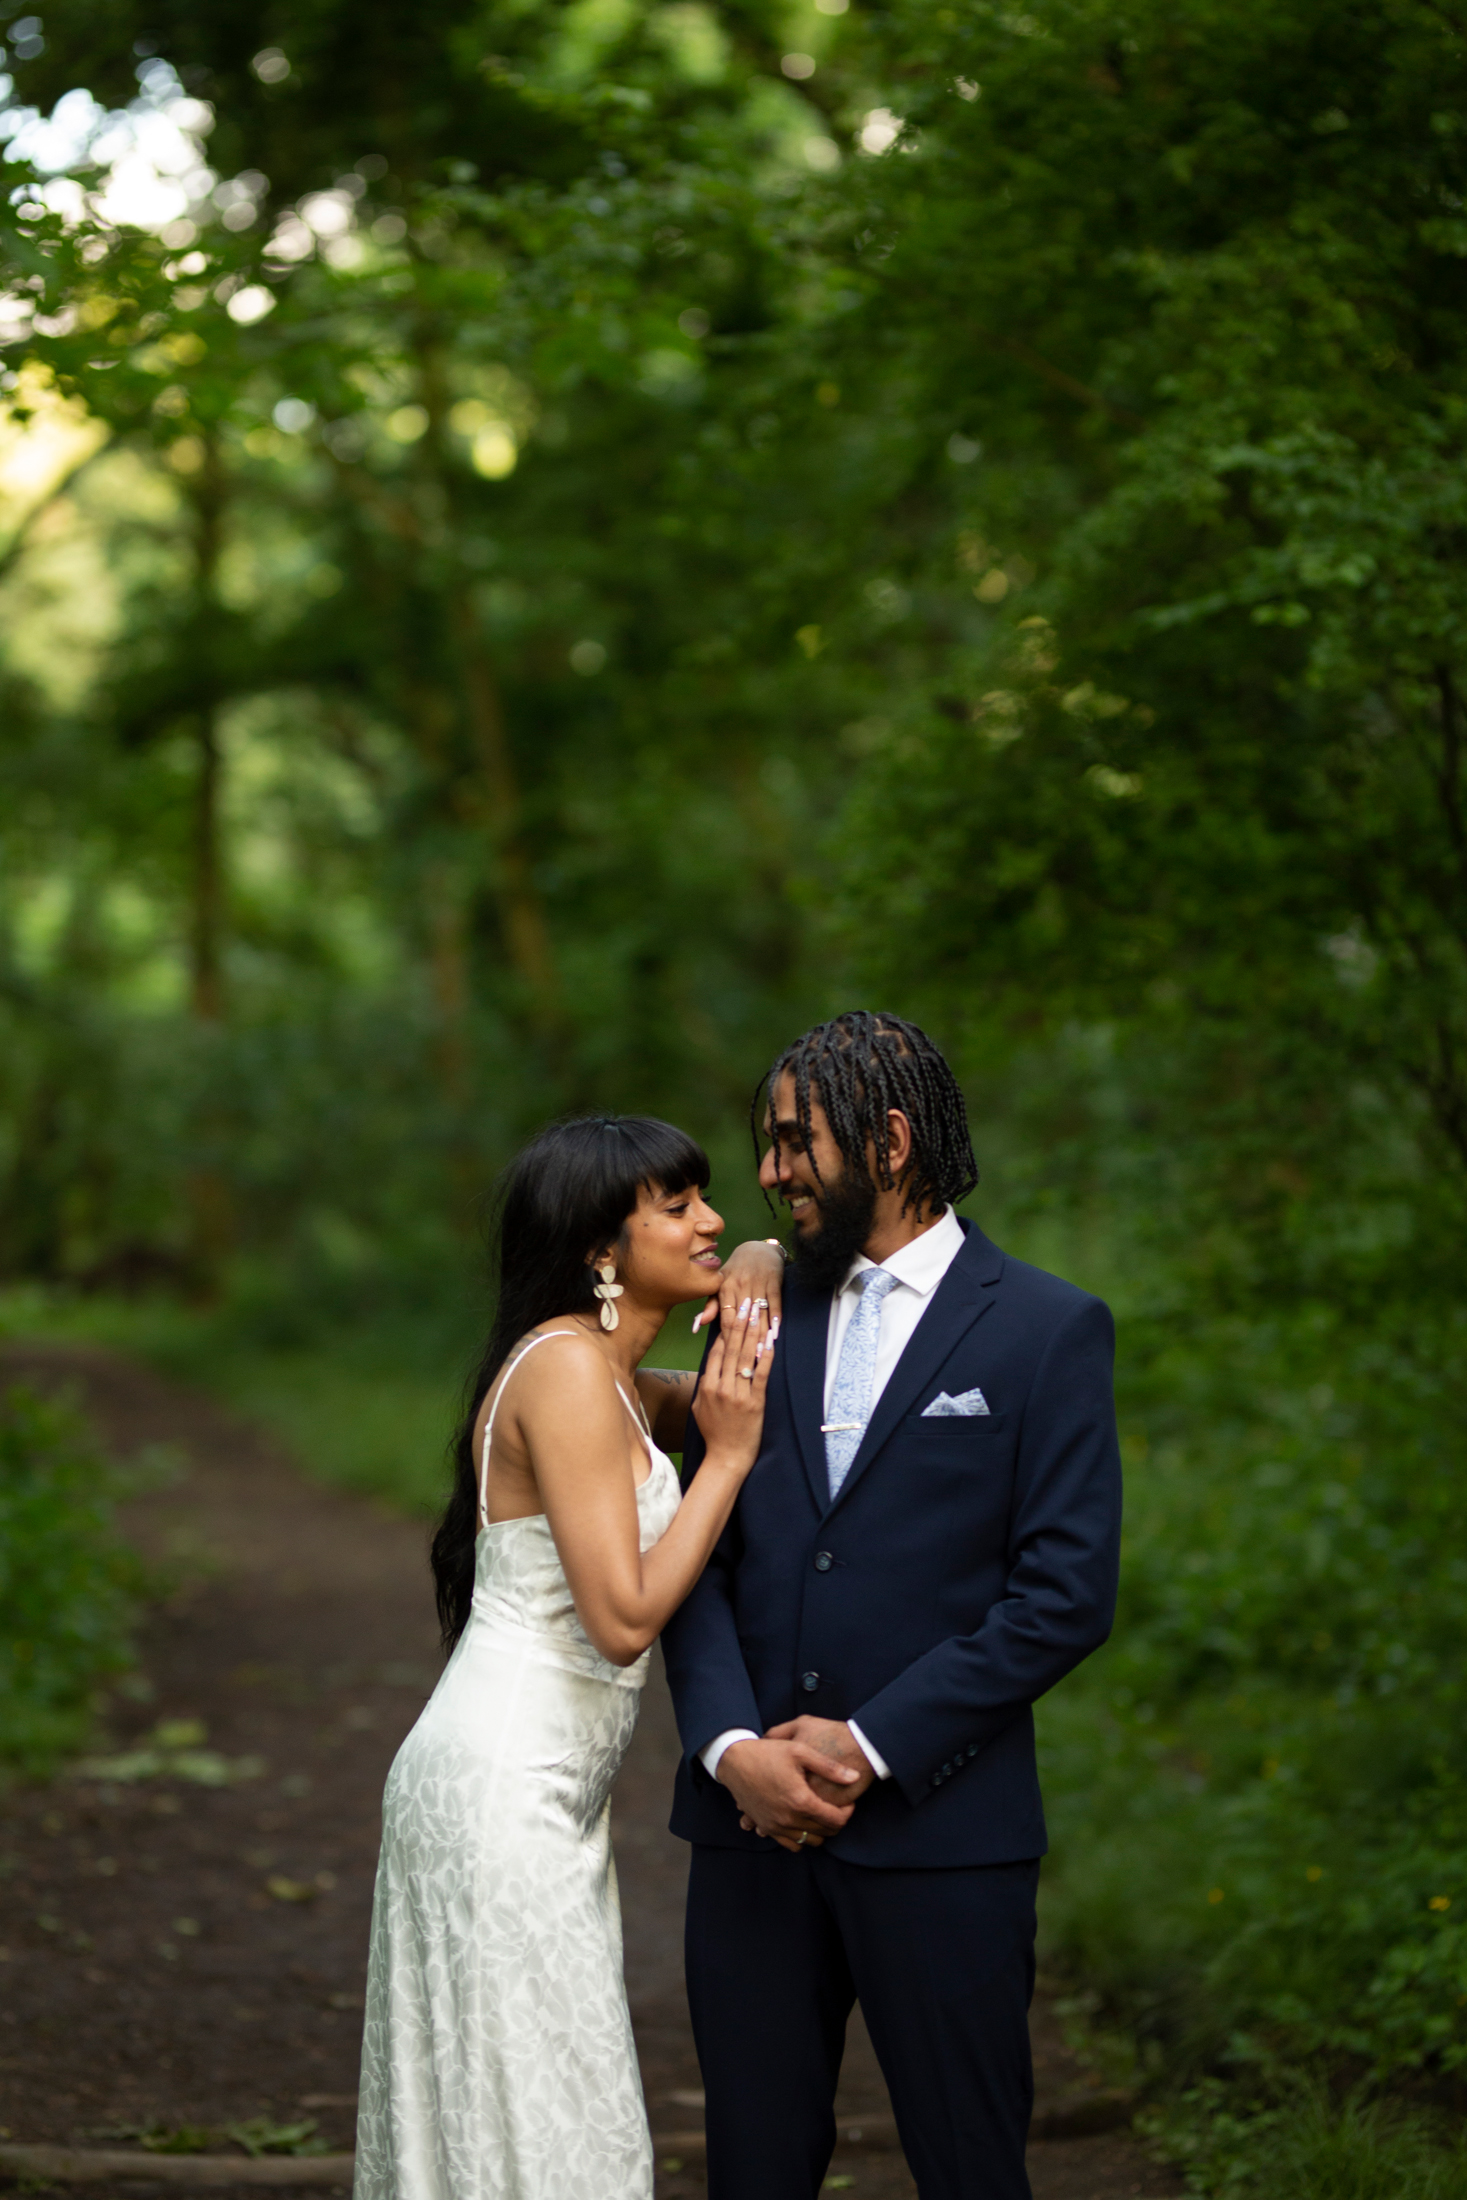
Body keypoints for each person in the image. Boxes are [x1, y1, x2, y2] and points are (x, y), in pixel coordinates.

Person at [661, 1012, 1124, 2200]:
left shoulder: (1047, 1329)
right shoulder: (757, 1310)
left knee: (971, 2170)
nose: (769, 1171)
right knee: (753, 2172)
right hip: (747, 1837)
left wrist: (867, 1745)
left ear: (893, 1140)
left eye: (793, 1141)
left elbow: (1064, 1596)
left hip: (946, 1837)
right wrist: (728, 1750)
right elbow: (697, 1555)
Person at [353, 1115, 841, 2200]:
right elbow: (623, 1619)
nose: (710, 1218)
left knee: (530, 2104)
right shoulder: (566, 1369)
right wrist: (727, 1463)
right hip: (500, 1794)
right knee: (539, 2113)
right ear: (599, 1250)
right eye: (677, 1206)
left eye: (705, 1196)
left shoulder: (609, 1375)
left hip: (538, 1795)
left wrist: (761, 1256)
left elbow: (722, 1383)